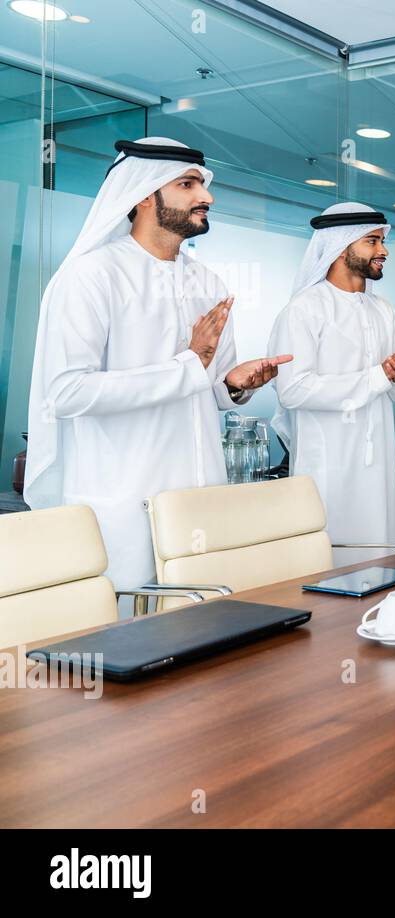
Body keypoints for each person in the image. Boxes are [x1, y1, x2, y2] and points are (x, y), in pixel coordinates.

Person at [24, 137, 289, 589]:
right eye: (187, 184)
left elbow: (207, 388)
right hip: (123, 500)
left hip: (199, 496)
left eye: (202, 185)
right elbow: (68, 393)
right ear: (144, 194)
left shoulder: (207, 281)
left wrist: (234, 384)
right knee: (129, 641)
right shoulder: (90, 276)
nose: (206, 197)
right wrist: (189, 364)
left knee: (204, 629)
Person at [268, 203, 395, 546]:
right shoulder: (303, 310)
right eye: (372, 241)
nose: (383, 251)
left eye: (382, 241)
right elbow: (293, 390)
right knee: (329, 566)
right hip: (328, 470)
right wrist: (379, 376)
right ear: (341, 248)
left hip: (380, 468)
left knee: (382, 559)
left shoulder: (383, 310)